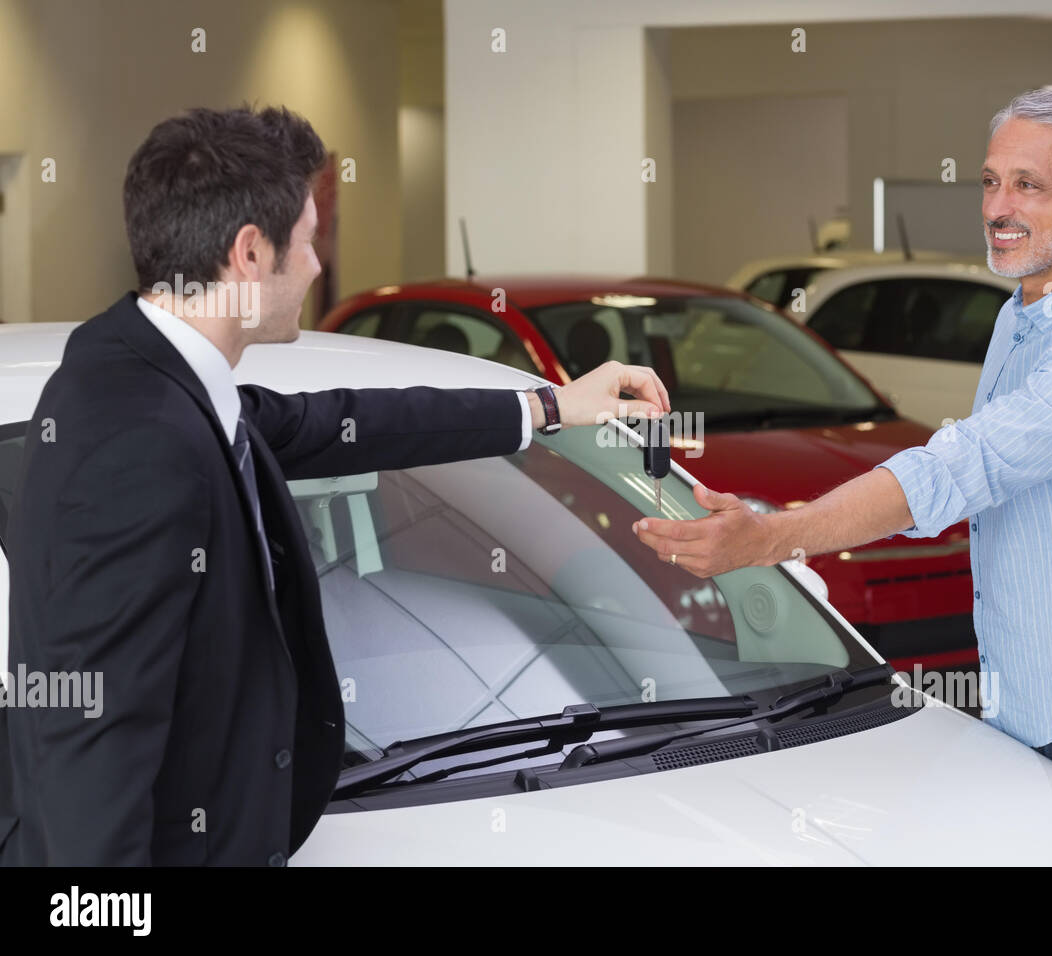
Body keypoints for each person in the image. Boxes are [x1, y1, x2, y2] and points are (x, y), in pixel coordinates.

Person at [0, 105, 669, 866]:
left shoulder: (152, 377)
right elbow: (92, 742)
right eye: (310, 240)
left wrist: (552, 405)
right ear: (250, 254)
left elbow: (340, 423)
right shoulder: (140, 441)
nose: (319, 266)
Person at [633, 89, 1052, 866]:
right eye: (989, 182)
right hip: (1026, 712)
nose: (998, 207)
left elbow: (961, 468)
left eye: (1028, 185)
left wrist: (774, 536)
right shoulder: (1021, 316)